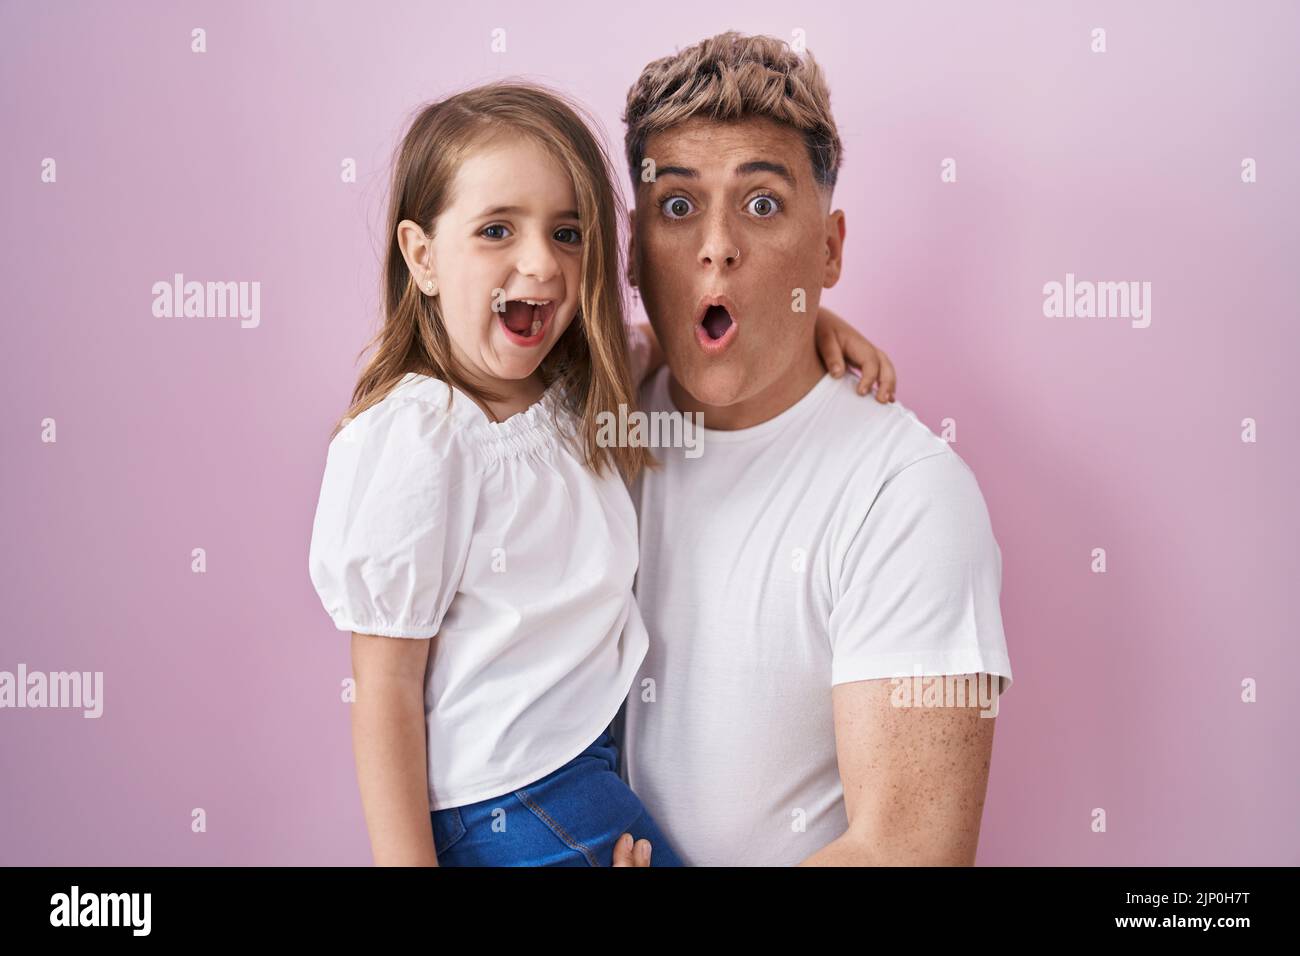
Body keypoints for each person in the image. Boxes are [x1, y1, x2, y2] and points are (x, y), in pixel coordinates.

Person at [307, 81, 894, 866]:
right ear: (423, 257)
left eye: (568, 231)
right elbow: (382, 690)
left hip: (584, 767)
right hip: (516, 793)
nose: (540, 262)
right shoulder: (420, 438)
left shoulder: (574, 388)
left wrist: (803, 311)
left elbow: (687, 337)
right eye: (495, 231)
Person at [610, 31, 1014, 866]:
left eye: (762, 205)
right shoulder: (586, 432)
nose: (717, 245)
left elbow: (909, 854)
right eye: (678, 207)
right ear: (634, 254)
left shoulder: (909, 496)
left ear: (828, 250)